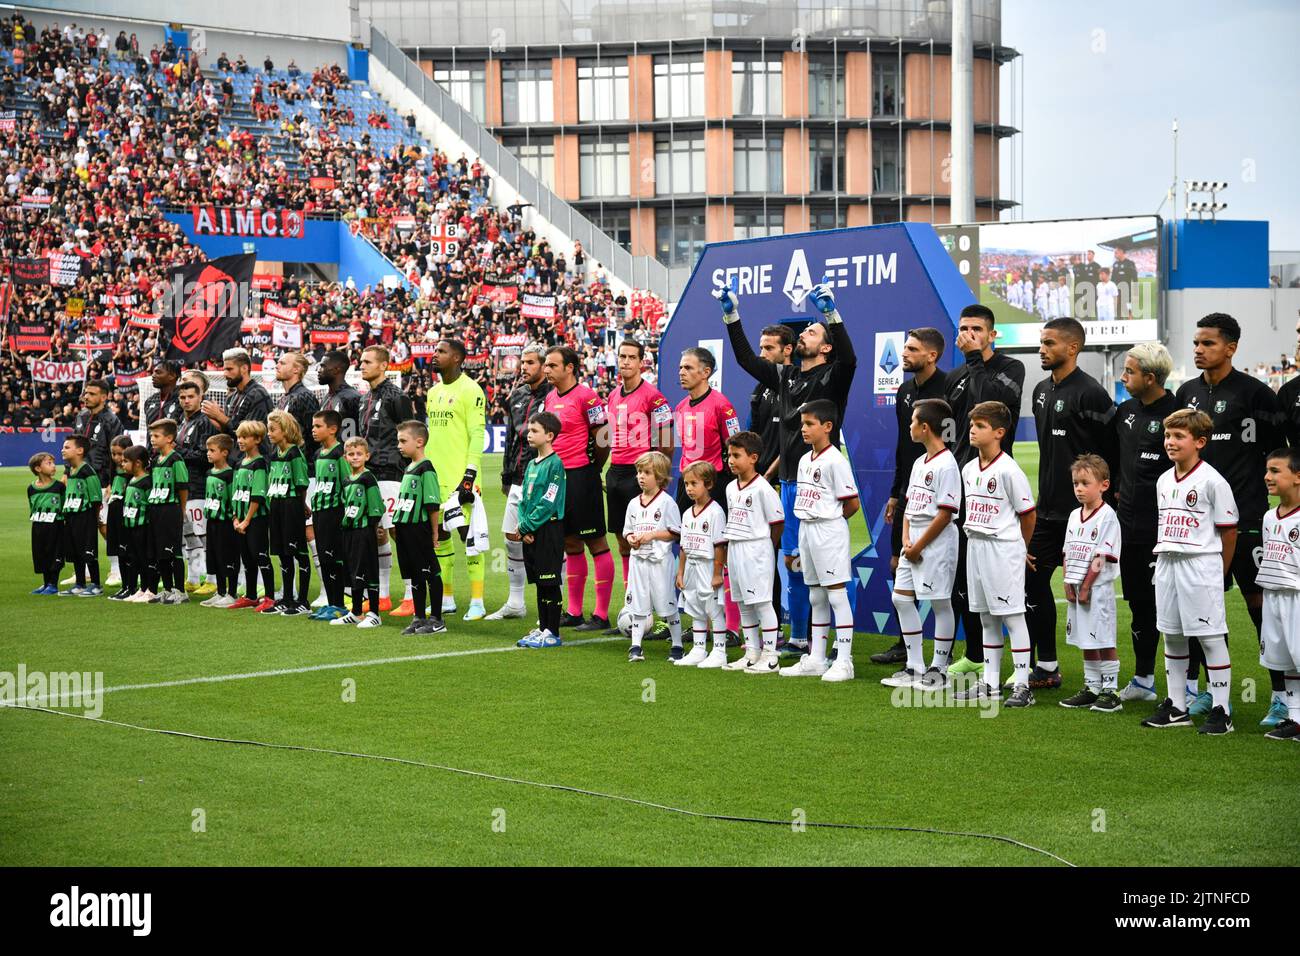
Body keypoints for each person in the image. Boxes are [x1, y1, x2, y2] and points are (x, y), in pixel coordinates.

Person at [717, 279, 857, 656]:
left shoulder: (835, 375)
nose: (804, 335)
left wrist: (832, 314)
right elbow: (748, 359)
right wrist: (732, 316)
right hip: (790, 481)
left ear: (825, 345)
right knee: (795, 564)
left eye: (812, 332)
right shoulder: (787, 376)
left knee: (827, 572)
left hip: (821, 482)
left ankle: (830, 644)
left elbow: (850, 358)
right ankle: (800, 637)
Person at [1175, 313, 1288, 727]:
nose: (1199, 349)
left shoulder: (1256, 394)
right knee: (1204, 607)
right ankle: (1213, 691)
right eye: (1197, 342)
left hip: (1249, 519)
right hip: (1199, 526)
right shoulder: (1186, 392)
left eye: (1208, 343)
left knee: (1262, 606)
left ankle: (1281, 696)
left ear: (1231, 347)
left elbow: (1277, 456)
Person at [1026, 317, 1117, 689]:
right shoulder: (1040, 390)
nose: (1042, 349)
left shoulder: (1091, 393)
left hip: (1083, 517)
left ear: (1072, 348)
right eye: (1042, 342)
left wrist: (1099, 508)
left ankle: (1102, 682)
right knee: (1031, 582)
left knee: (1088, 592)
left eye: (1049, 343)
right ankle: (1046, 665)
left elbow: (1112, 454)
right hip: (1047, 511)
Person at [938, 304, 1025, 675]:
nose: (968, 334)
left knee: (1003, 587)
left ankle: (1028, 664)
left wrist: (975, 358)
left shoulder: (1010, 369)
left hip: (995, 483)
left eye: (976, 328)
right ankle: (975, 655)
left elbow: (988, 404)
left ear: (992, 334)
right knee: (964, 577)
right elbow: (951, 423)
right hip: (961, 478)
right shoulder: (956, 373)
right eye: (963, 328)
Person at [1140, 409, 1237, 735]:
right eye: (1168, 435)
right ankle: (1177, 706)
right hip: (1168, 563)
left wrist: (1219, 572)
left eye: (1178, 436)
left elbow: (1228, 531)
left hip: (1200, 565)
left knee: (1210, 638)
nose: (1170, 442)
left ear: (1200, 441)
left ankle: (1222, 711)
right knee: (1173, 635)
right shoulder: (1164, 479)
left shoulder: (1212, 481)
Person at [952, 401, 1038, 707]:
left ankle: (1023, 686)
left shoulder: (1008, 469)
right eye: (972, 425)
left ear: (999, 432)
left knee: (1013, 617)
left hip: (1002, 549)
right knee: (987, 618)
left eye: (981, 426)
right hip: (976, 545)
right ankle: (989, 684)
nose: (973, 430)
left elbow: (1027, 514)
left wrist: (1020, 548)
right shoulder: (969, 468)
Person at [1112, 343, 1179, 702]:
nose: (1123, 377)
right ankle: (1143, 680)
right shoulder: (1124, 412)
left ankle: (1191, 688)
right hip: (1128, 530)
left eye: (1129, 372)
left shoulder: (1177, 414)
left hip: (1166, 534)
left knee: (1173, 612)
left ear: (1150, 378)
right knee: (1139, 607)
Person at [882, 397, 960, 690]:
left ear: (925, 427)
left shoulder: (947, 464)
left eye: (913, 421)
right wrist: (906, 540)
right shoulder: (918, 462)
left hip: (935, 543)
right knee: (901, 598)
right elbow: (909, 504)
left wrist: (919, 545)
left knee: (940, 603)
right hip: (911, 541)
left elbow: (945, 513)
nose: (910, 426)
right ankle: (915, 666)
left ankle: (938, 670)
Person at [779, 400, 861, 681]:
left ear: (827, 427)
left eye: (809, 424)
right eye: (802, 423)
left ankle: (845, 662)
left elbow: (851, 504)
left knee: (836, 594)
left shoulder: (836, 460)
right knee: (815, 593)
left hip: (828, 530)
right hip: (807, 529)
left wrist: (831, 522)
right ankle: (817, 658)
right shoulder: (804, 460)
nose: (803, 429)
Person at [542, 345, 613, 631]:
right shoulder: (548, 397)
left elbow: (604, 436)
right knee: (570, 543)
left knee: (595, 541)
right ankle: (573, 611)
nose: (546, 369)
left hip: (582, 476)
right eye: (546, 365)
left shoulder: (587, 397)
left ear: (569, 368)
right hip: (557, 479)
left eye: (552, 365)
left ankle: (601, 613)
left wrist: (593, 467)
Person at [674, 346, 743, 640]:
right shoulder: (679, 407)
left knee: (720, 552)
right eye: (680, 367)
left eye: (688, 368)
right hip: (686, 482)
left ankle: (730, 626)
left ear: (706, 372)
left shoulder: (722, 405)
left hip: (715, 483)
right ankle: (699, 619)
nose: (682, 372)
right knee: (690, 548)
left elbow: (735, 444)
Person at [605, 338, 674, 620]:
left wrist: (655, 472)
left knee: (651, 545)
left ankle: (661, 613)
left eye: (632, 357)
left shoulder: (654, 397)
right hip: (616, 471)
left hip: (640, 473)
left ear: (642, 362)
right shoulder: (612, 396)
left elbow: (667, 439)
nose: (625, 362)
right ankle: (632, 605)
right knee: (624, 541)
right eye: (622, 356)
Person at [425, 339, 487, 621]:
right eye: (435, 351)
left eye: (441, 352)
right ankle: (447, 597)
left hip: (462, 477)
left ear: (458, 358)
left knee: (468, 537)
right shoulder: (433, 391)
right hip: (435, 476)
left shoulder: (471, 390)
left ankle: (477, 601)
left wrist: (470, 473)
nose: (435, 355)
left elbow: (477, 434)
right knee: (441, 538)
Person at [489, 344, 551, 621]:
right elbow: (512, 440)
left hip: (544, 476)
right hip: (518, 478)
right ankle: (516, 603)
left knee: (546, 541)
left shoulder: (554, 395)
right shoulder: (516, 395)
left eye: (529, 363)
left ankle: (552, 604)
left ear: (543, 364)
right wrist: (506, 476)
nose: (523, 367)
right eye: (522, 363)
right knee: (512, 537)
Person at [1058, 455, 1123, 713]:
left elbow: (1101, 556)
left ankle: (1110, 690)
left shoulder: (1107, 516)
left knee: (1103, 638)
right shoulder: (1074, 515)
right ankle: (1092, 686)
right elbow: (1067, 551)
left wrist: (1086, 586)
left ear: (1104, 485)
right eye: (1076, 483)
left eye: (1085, 483)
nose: (1079, 488)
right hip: (1076, 586)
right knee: (1085, 638)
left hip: (1097, 590)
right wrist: (1068, 581)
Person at [720, 432, 785, 674]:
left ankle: (770, 655)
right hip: (735, 548)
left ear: (753, 458)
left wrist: (766, 547)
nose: (731, 460)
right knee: (743, 604)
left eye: (737, 455)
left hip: (756, 548)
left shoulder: (763, 489)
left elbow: (777, 522)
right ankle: (751, 652)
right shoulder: (729, 488)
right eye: (729, 455)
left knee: (762, 602)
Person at [358, 345, 415, 612]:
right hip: (371, 474)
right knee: (377, 532)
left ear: (383, 365)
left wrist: (406, 469)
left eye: (367, 362)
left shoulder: (397, 396)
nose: (362, 366)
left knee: (397, 532)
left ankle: (411, 595)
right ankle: (382, 595)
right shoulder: (364, 398)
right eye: (361, 362)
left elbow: (412, 434)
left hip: (392, 473)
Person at [623, 451, 683, 663]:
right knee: (638, 605)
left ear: (659, 476)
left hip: (660, 562)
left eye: (646, 472)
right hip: (638, 561)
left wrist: (653, 535)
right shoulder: (633, 503)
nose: (640, 476)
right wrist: (631, 538)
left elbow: (675, 532)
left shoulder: (667, 503)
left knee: (667, 604)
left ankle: (677, 645)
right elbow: (627, 530)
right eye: (639, 471)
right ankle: (636, 646)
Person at [514, 411, 567, 649]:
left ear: (549, 436)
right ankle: (543, 627)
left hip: (548, 529)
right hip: (531, 531)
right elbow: (524, 499)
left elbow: (549, 500)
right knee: (538, 581)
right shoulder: (532, 464)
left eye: (535, 431)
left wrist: (527, 525)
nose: (529, 434)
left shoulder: (555, 464)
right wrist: (523, 524)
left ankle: (553, 632)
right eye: (529, 429)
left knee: (549, 581)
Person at [1258, 448, 1300, 740]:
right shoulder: (1269, 517)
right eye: (1267, 471)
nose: (1267, 477)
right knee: (1286, 662)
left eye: (1275, 471)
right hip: (1274, 596)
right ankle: (1295, 718)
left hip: (1297, 596)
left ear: (1298, 477)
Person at [392, 420, 447, 635]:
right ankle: (419, 617)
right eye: (398, 441)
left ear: (419, 442)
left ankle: (437, 618)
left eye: (403, 441)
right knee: (414, 573)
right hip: (405, 528)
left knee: (430, 571)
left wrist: (434, 532)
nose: (399, 445)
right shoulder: (408, 468)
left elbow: (431, 504)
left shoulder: (426, 468)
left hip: (419, 529)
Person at [675, 461, 729, 668]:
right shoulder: (687, 513)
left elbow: (720, 546)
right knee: (695, 607)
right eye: (686, 484)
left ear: (708, 484)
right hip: (691, 567)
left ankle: (719, 650)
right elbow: (683, 546)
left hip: (708, 566)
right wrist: (680, 572)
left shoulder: (715, 512)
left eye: (693, 484)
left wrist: (717, 573)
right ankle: (699, 648)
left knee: (713, 609)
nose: (689, 488)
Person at [333, 437, 386, 629]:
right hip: (349, 531)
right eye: (351, 454)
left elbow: (376, 506)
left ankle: (374, 613)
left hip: (364, 531)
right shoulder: (347, 480)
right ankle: (356, 612)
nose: (355, 458)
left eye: (358, 454)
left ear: (367, 456)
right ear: (345, 457)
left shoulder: (368, 478)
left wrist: (373, 527)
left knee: (368, 570)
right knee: (353, 571)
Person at [265, 410, 312, 615]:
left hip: (291, 506)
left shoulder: (294, 453)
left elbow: (301, 483)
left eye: (272, 430)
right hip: (277, 505)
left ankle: (302, 600)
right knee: (283, 553)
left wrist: (302, 507)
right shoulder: (275, 454)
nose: (269, 433)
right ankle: (286, 598)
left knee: (298, 552)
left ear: (285, 431)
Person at [229, 420, 275, 612]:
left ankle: (270, 597)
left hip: (255, 519)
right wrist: (235, 518)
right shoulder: (239, 463)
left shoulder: (260, 463)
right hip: (240, 520)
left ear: (257, 439)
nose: (240, 440)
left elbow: (257, 494)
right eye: (238, 436)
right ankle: (250, 595)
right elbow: (235, 493)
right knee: (246, 558)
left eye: (245, 437)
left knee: (260, 555)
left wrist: (247, 520)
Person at [307, 410, 349, 621]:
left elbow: (347, 483)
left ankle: (340, 604)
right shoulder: (318, 454)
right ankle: (331, 602)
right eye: (313, 426)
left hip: (335, 513)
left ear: (332, 429)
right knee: (324, 558)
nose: (313, 430)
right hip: (320, 513)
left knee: (334, 559)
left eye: (318, 426)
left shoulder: (340, 453)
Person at [175, 379, 215, 595]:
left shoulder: (204, 423)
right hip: (184, 486)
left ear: (200, 397)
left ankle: (212, 578)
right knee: (187, 535)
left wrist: (177, 450)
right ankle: (192, 578)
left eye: (191, 396)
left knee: (203, 534)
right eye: (183, 397)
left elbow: (205, 457)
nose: (186, 401)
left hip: (198, 486)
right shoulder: (182, 421)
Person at [146, 418, 189, 605]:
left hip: (171, 509)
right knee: (160, 551)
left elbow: (182, 486)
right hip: (157, 508)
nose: (152, 439)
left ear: (169, 438)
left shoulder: (176, 459)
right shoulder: (156, 460)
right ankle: (167, 588)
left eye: (156, 436)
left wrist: (182, 509)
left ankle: (180, 590)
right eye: (151, 436)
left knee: (174, 550)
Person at [204, 349, 272, 462]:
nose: (225, 374)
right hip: (236, 462)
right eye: (224, 369)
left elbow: (249, 434)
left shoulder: (258, 394)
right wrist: (217, 420)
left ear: (244, 368)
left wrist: (220, 417)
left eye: (230, 369)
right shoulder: (233, 396)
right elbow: (231, 432)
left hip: (255, 464)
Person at [58, 434, 102, 597]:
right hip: (71, 516)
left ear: (80, 450)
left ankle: (96, 584)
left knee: (88, 551)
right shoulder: (70, 470)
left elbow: (96, 498)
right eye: (63, 447)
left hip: (85, 516)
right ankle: (80, 584)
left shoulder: (87, 470)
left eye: (67, 447)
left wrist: (93, 519)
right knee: (75, 551)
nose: (63, 450)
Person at [200, 433, 238, 608]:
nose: (208, 453)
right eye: (208, 450)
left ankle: (232, 593)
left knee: (227, 556)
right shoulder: (208, 472)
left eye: (212, 450)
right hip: (212, 521)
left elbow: (233, 499)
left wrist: (234, 517)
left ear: (224, 452)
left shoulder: (230, 474)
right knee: (214, 556)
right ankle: (221, 591)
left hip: (225, 522)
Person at [120, 446, 156, 603]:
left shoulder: (147, 482)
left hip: (144, 527)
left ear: (138, 463)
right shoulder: (131, 480)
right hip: (131, 526)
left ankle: (152, 589)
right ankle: (142, 588)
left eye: (125, 461)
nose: (123, 465)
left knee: (147, 558)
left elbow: (150, 505)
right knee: (136, 559)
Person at [28, 452, 65, 595]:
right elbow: (32, 506)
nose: (53, 466)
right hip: (38, 525)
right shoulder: (31, 488)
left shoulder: (59, 486)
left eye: (53, 463)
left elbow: (63, 505)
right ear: (38, 469)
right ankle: (45, 583)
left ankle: (53, 584)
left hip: (55, 526)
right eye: (49, 463)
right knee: (41, 553)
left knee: (54, 553)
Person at [274, 351, 321, 460]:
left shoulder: (305, 396)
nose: (277, 366)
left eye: (282, 363)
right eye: (278, 363)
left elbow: (313, 437)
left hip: (301, 467)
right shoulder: (283, 399)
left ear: (297, 369)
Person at [102, 437, 133, 599]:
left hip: (126, 512)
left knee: (128, 550)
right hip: (114, 511)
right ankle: (125, 585)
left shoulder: (133, 472)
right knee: (119, 550)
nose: (116, 458)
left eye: (120, 454)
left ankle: (132, 586)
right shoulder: (114, 469)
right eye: (113, 454)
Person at [143, 359, 182, 427]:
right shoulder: (150, 401)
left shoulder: (183, 399)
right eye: (153, 372)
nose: (153, 375)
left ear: (172, 376)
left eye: (158, 372)